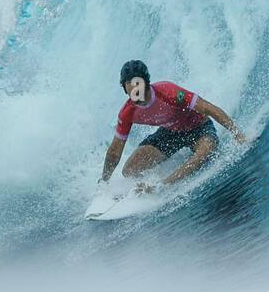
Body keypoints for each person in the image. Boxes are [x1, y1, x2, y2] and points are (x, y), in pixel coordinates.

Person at [100, 59, 247, 192]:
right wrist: (104, 183)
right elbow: (115, 151)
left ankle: (162, 185)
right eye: (131, 92)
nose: (136, 97)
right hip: (170, 133)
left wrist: (237, 133)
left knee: (206, 152)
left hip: (199, 128)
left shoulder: (168, 92)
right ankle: (144, 188)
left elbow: (208, 108)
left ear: (146, 82)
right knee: (129, 170)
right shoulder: (127, 113)